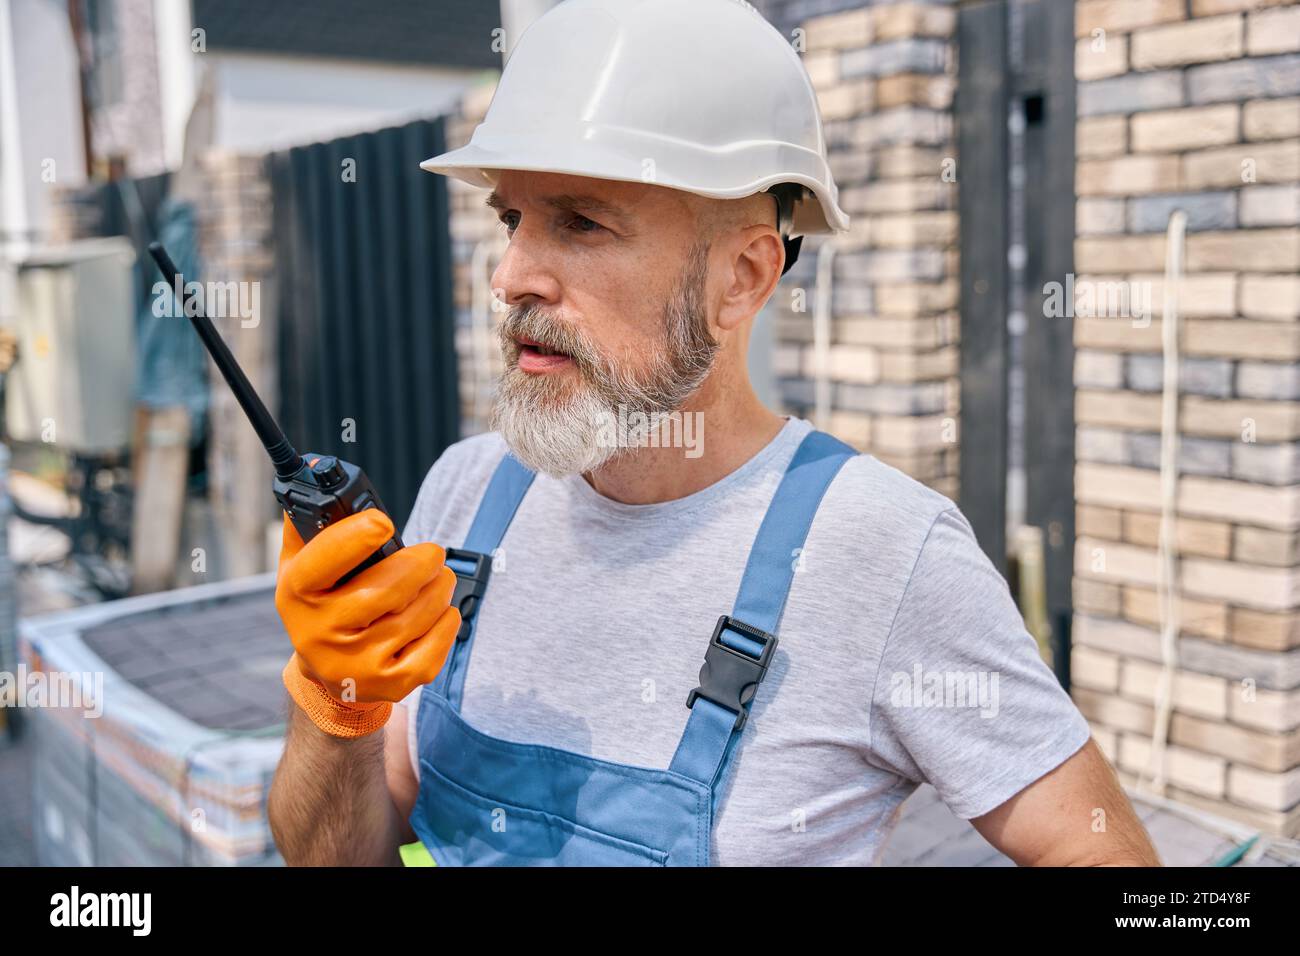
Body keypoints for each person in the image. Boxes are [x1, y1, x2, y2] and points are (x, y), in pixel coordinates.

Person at [267, 0, 1158, 866]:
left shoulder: (882, 552)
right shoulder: (466, 493)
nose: (510, 275)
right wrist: (336, 701)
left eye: (580, 222)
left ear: (741, 277)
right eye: (512, 219)